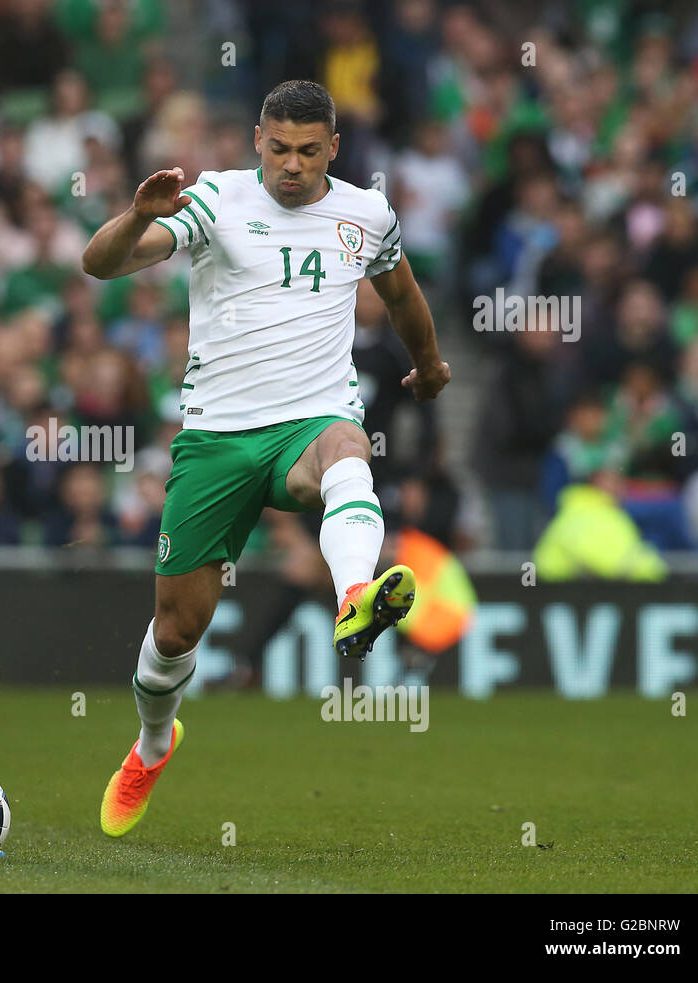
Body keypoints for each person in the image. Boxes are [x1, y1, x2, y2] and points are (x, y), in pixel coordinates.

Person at [81, 80, 449, 837]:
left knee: (351, 450)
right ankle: (154, 744)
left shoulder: (366, 213)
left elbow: (403, 294)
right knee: (177, 631)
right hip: (217, 438)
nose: (292, 165)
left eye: (309, 151)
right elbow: (100, 264)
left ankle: (355, 598)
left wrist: (431, 363)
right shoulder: (216, 200)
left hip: (309, 422)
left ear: (334, 149)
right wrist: (135, 216)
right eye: (279, 148)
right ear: (257, 140)